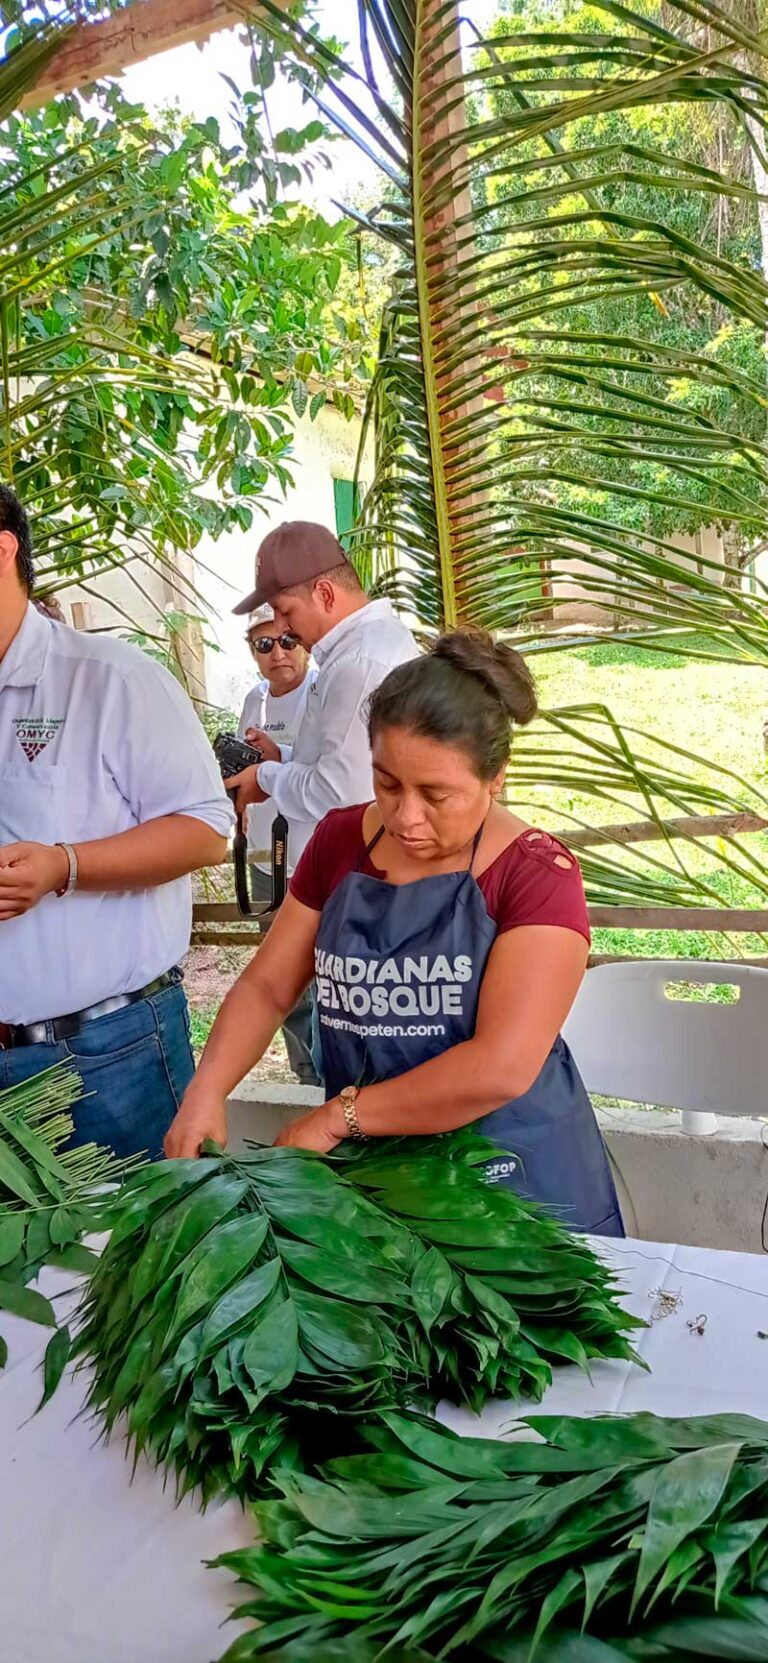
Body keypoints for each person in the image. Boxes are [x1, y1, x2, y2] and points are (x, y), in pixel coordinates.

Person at [165, 629, 624, 1239]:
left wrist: (337, 1120)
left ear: (497, 779)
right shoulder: (339, 841)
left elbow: (502, 1066)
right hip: (375, 1172)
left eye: (437, 795)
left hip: (512, 1186)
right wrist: (207, 1088)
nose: (407, 817)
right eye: (387, 783)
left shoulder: (537, 873)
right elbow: (269, 987)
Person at [0, 485, 233, 1160]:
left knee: (145, 1258)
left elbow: (204, 828)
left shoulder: (111, 680)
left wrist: (64, 866)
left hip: (109, 1053)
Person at [227, 520, 418, 867]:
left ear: (325, 594)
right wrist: (282, 757)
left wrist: (265, 778)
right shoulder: (357, 651)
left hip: (359, 873)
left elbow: (341, 792)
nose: (283, 628)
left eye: (285, 611)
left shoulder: (358, 664)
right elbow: (343, 759)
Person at [237, 604, 318, 1084]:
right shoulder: (253, 699)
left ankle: (331, 1076)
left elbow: (327, 773)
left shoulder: (322, 694)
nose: (278, 654)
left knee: (322, 970)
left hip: (312, 857)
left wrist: (274, 760)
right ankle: (305, 1073)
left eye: (287, 641)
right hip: (266, 857)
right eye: (263, 645)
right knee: (281, 975)